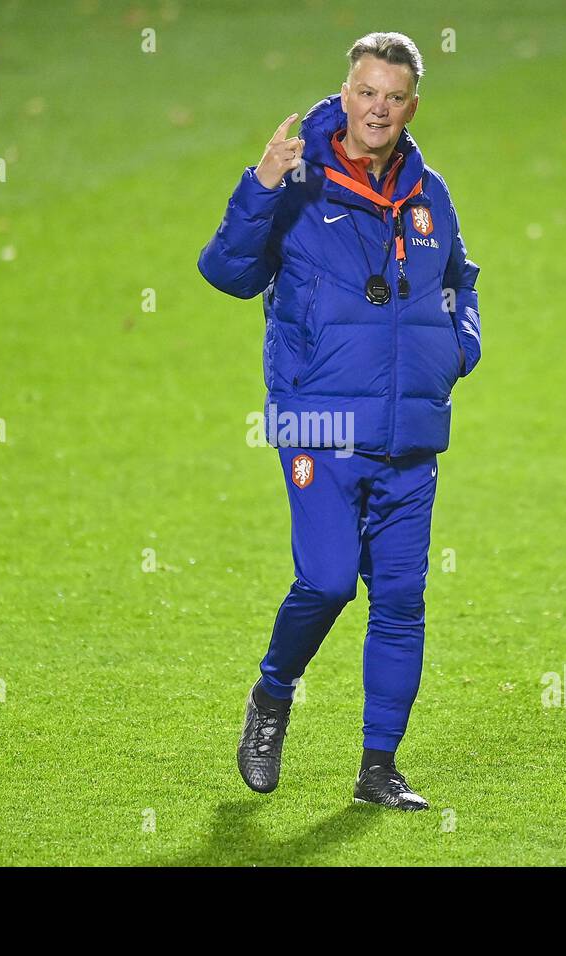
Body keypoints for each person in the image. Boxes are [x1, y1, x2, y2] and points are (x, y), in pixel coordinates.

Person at [197, 32, 481, 811]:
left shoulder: (430, 193)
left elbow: (461, 278)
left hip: (408, 434)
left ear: (410, 106)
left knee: (400, 603)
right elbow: (226, 272)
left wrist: (460, 348)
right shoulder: (296, 181)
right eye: (366, 91)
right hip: (319, 427)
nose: (377, 108)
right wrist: (257, 185)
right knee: (324, 581)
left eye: (393, 96)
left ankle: (378, 768)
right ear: (345, 94)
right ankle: (271, 696)